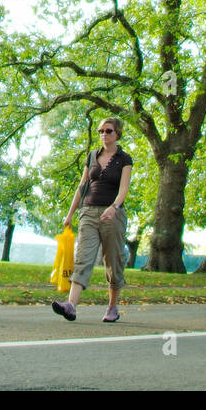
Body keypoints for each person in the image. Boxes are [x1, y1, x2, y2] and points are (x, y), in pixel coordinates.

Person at [52, 117, 133, 323]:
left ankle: (113, 306)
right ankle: (70, 305)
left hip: (112, 216)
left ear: (117, 133)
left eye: (108, 131)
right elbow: (82, 186)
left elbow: (124, 188)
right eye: (101, 131)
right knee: (83, 258)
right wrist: (70, 214)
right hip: (88, 212)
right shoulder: (92, 156)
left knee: (113, 262)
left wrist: (114, 208)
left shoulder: (124, 159)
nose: (104, 135)